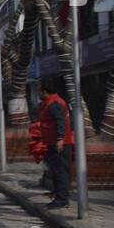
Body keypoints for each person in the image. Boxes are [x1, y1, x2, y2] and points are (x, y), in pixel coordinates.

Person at [37, 77, 74, 209]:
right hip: (53, 141)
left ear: (44, 91)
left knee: (60, 171)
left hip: (59, 143)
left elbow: (61, 121)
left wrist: (60, 138)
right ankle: (59, 196)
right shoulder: (50, 102)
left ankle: (62, 199)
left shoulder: (54, 103)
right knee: (56, 170)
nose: (38, 94)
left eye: (39, 91)